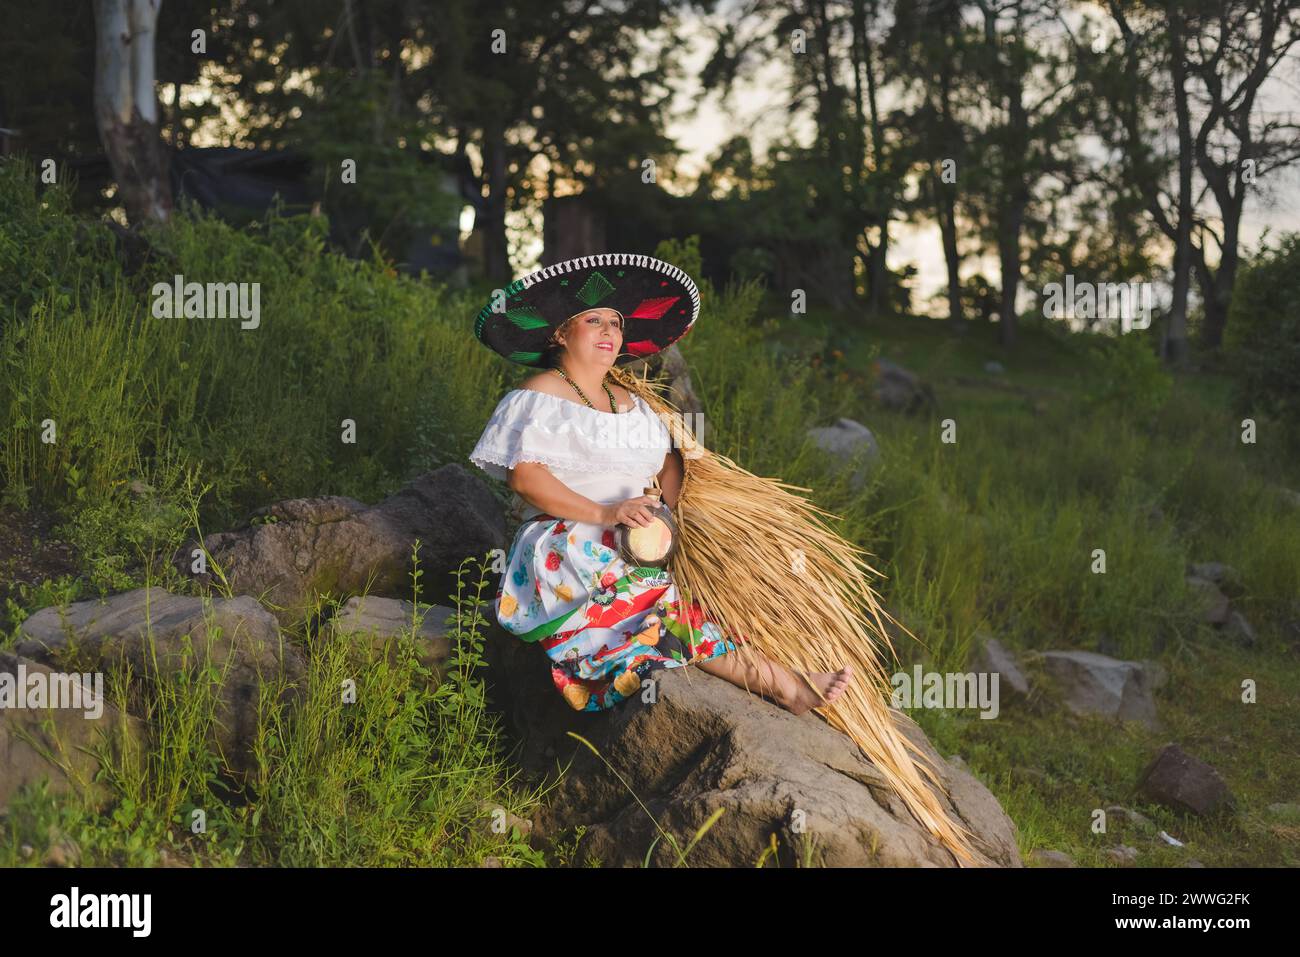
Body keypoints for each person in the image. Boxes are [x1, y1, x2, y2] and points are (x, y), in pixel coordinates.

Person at [469, 253, 853, 714]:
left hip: (637, 538)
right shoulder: (539, 395)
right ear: (559, 332)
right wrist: (606, 513)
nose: (610, 331)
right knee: (652, 603)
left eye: (616, 322)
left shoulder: (633, 402)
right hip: (569, 537)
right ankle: (783, 685)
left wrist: (669, 517)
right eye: (594, 320)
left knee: (693, 589)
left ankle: (778, 671)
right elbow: (526, 478)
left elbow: (667, 465)